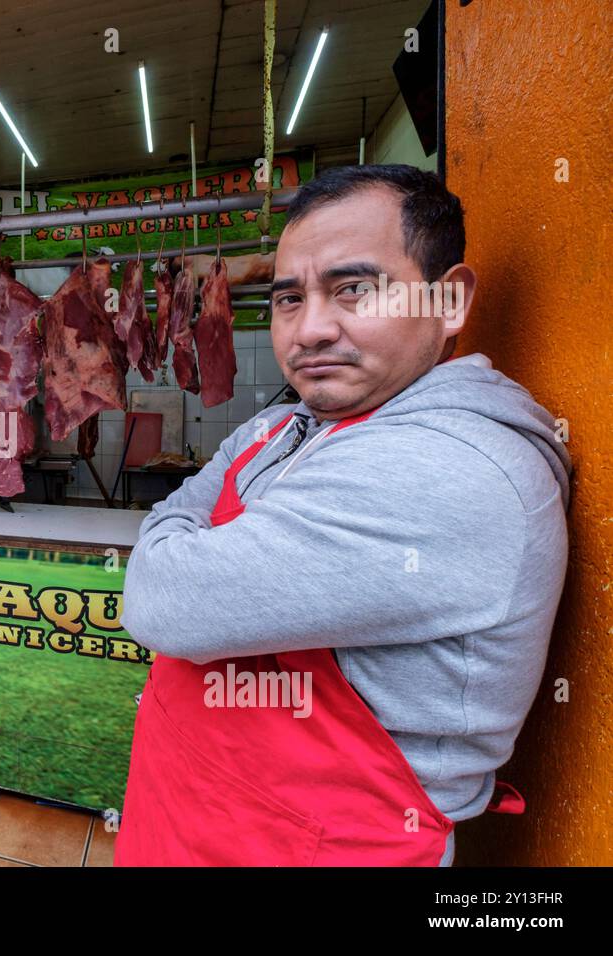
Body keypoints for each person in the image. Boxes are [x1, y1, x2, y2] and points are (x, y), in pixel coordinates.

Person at [115, 164, 572, 867]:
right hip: (190, 822)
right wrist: (179, 537)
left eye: (353, 289)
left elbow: (157, 596)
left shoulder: (448, 468)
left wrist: (175, 543)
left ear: (449, 300)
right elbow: (179, 524)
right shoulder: (292, 425)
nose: (310, 330)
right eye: (289, 298)